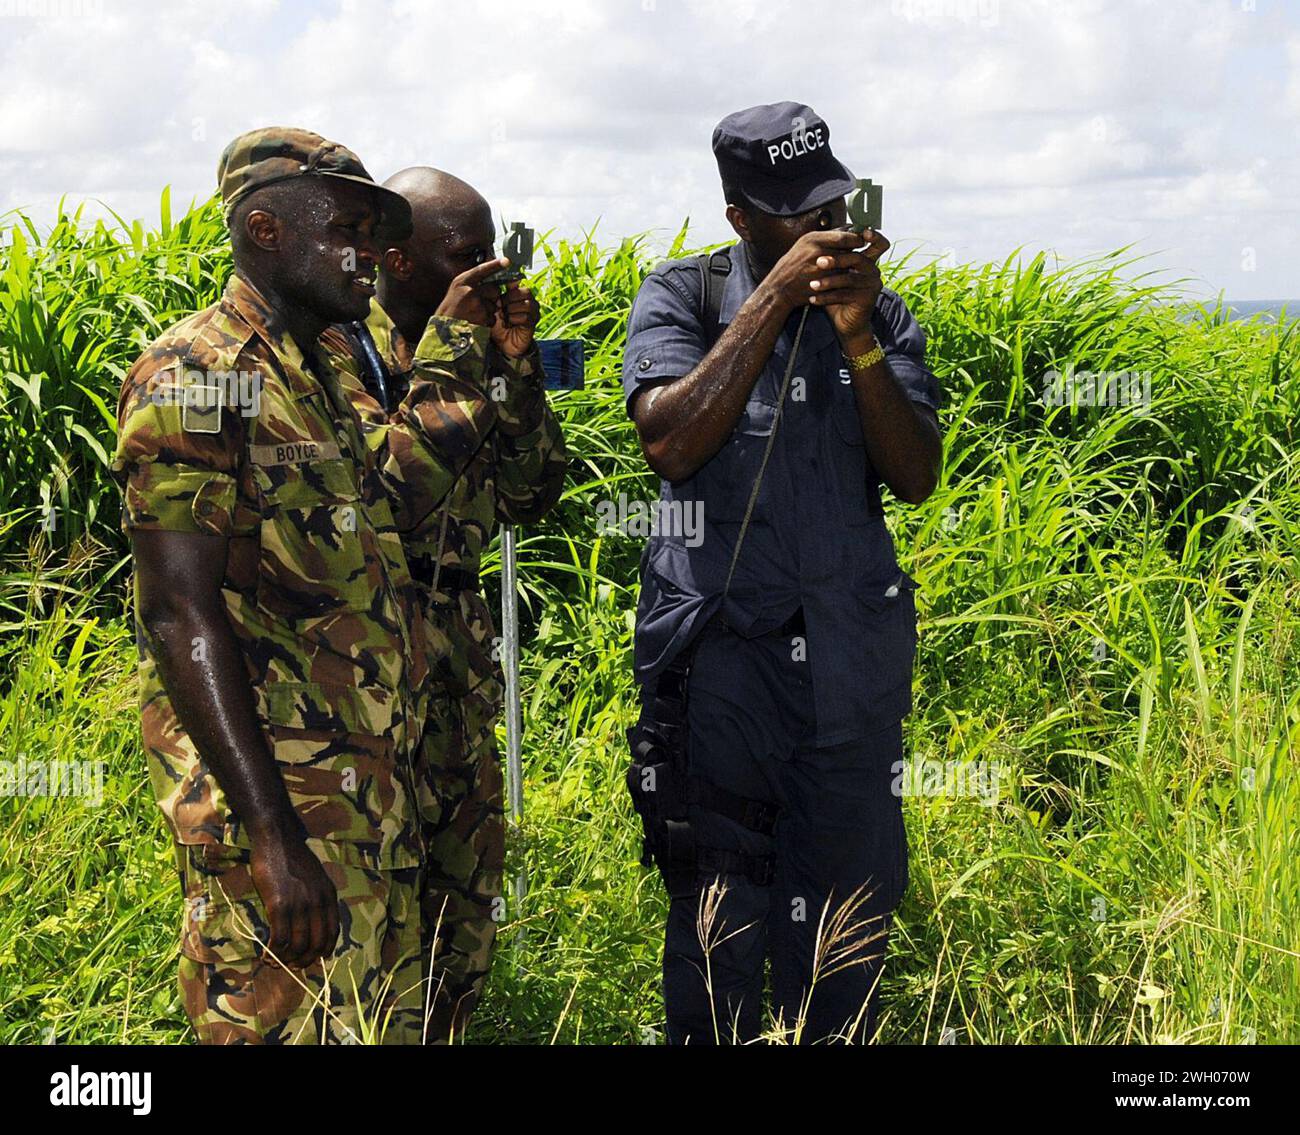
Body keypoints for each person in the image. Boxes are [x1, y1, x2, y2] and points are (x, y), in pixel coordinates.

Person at [112, 128, 498, 1044]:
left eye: (374, 231)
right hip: (286, 813)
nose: (367, 252)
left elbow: (407, 496)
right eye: (346, 227)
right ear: (264, 228)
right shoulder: (200, 375)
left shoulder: (329, 369)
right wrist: (273, 836)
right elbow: (178, 611)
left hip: (372, 805)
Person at [622, 101, 943, 1044]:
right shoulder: (686, 296)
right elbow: (670, 440)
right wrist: (773, 301)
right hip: (722, 676)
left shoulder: (878, 310)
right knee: (718, 924)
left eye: (831, 205)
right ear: (740, 220)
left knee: (849, 919)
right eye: (797, 213)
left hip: (850, 671)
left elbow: (916, 474)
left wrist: (856, 336)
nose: (823, 228)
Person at [324, 166, 567, 1041]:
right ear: (397, 259)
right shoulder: (339, 352)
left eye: (493, 249)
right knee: (381, 892)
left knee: (464, 894)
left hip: (458, 661)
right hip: (372, 664)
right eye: (466, 256)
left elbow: (535, 491)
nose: (489, 270)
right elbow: (388, 494)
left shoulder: (468, 349)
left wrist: (513, 368)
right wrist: (454, 355)